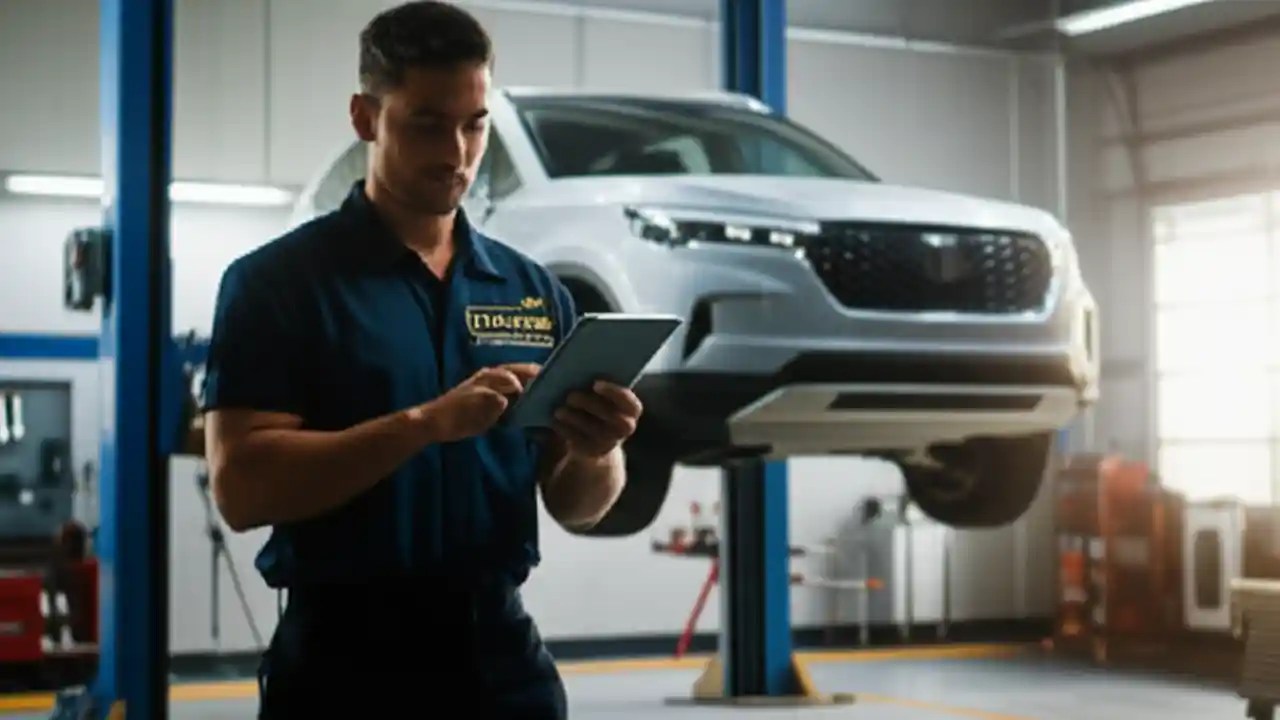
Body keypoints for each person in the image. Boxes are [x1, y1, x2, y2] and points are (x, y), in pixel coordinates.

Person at [200, 2, 639, 716]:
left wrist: (599, 451)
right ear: (365, 116)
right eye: (427, 124)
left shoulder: (532, 291)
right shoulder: (277, 284)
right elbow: (243, 488)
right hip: (345, 670)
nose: (457, 154)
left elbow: (577, 507)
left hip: (504, 662)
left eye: (475, 124)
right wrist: (422, 425)